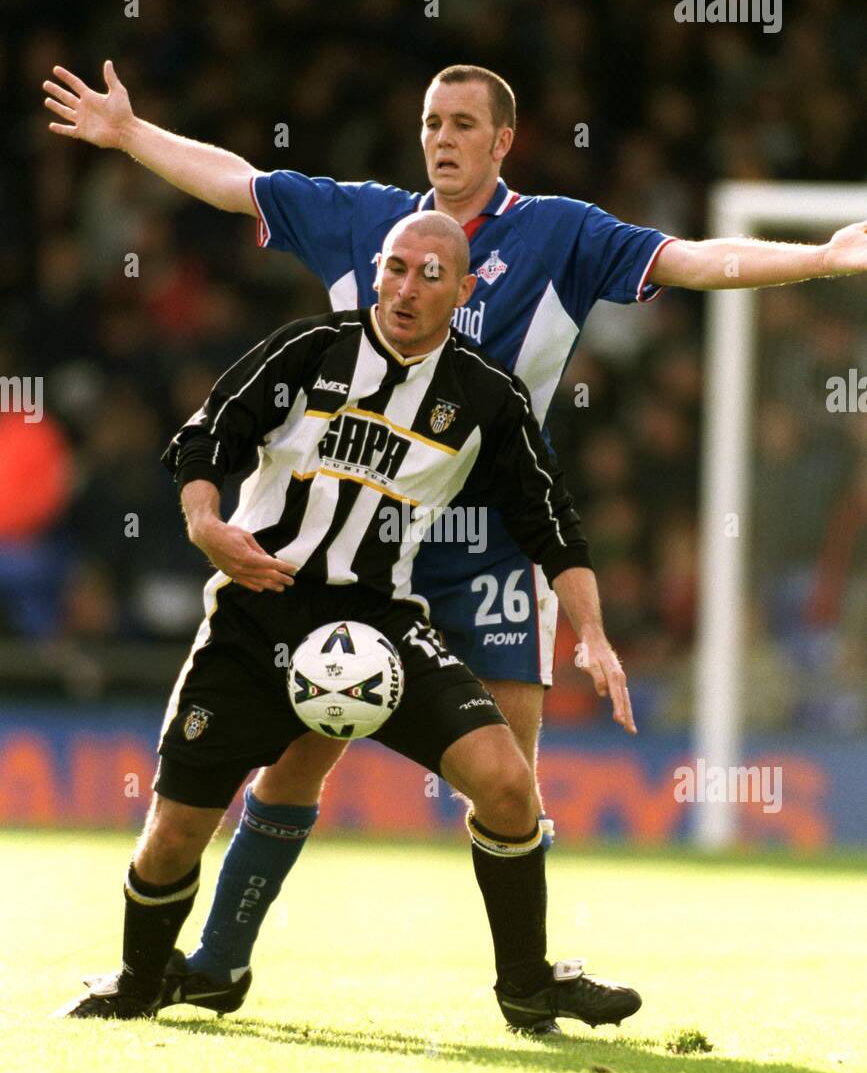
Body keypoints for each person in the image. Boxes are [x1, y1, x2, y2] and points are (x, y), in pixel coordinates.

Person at [43, 60, 867, 1012]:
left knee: (507, 773)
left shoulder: (559, 231)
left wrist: (820, 257)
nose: (442, 139)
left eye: (463, 124)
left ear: (501, 141)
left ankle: (524, 977)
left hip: (491, 540)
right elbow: (236, 183)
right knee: (301, 749)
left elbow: (684, 259)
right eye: (432, 121)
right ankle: (219, 961)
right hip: (355, 543)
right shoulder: (368, 220)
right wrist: (131, 135)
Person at [58, 212, 640, 1037]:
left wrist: (593, 634)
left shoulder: (483, 395)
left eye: (428, 276)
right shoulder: (309, 351)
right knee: (174, 834)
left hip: (381, 622)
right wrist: (205, 525)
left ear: (463, 291)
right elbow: (207, 436)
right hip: (258, 614)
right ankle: (140, 978)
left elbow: (554, 525)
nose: (405, 289)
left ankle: (527, 986)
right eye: (394, 268)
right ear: (375, 272)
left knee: (509, 786)